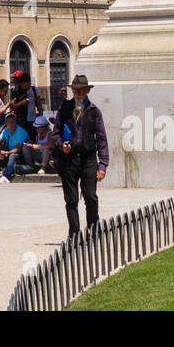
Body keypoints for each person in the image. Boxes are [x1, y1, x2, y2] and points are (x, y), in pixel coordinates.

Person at [52, 76, 109, 237]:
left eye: (81, 90)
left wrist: (103, 164)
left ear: (87, 91)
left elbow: (102, 139)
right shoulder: (64, 109)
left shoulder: (94, 111)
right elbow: (55, 133)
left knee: (90, 196)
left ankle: (93, 231)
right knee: (71, 200)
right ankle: (75, 235)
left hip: (88, 159)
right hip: (68, 160)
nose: (77, 93)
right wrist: (61, 145)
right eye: (75, 90)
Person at [0, 113, 31, 183]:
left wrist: (6, 153)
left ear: (16, 122)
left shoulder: (20, 132)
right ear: (6, 123)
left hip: (22, 154)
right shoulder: (6, 131)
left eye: (13, 122)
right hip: (10, 152)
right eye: (9, 123)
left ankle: (6, 176)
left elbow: (18, 150)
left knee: (13, 156)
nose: (11, 124)